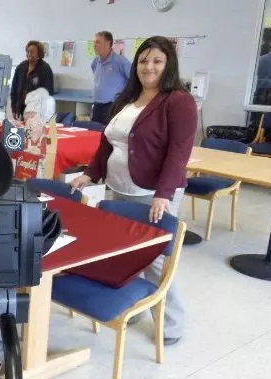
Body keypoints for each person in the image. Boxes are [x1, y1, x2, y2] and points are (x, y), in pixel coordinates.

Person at [70, 36, 198, 345]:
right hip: (118, 186)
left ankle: (171, 325)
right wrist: (89, 173)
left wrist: (164, 194)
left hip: (153, 193)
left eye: (156, 61)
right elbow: (106, 143)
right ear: (135, 64)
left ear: (168, 64)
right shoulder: (126, 98)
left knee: (154, 259)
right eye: (143, 60)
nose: (149, 66)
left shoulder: (178, 101)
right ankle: (135, 308)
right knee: (126, 255)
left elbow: (179, 152)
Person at [91, 31, 131, 125]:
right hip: (97, 105)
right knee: (95, 134)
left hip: (113, 105)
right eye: (94, 42)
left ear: (108, 43)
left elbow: (133, 80)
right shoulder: (95, 62)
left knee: (109, 135)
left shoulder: (120, 62)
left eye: (98, 42)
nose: (94, 45)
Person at [11, 41, 54, 120]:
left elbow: (48, 92)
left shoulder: (45, 69)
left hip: (37, 110)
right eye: (28, 51)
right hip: (21, 107)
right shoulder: (21, 67)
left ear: (39, 54)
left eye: (32, 52)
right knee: (23, 130)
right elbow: (14, 89)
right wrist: (14, 109)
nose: (29, 54)